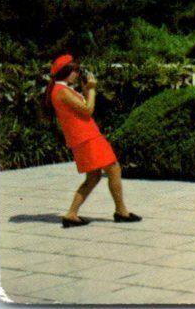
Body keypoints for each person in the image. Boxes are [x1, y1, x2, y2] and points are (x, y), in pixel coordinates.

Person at [41, 54, 141, 228]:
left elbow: (82, 108)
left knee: (94, 176)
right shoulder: (62, 91)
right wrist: (92, 90)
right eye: (75, 70)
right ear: (67, 72)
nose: (77, 74)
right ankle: (121, 211)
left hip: (82, 137)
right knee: (114, 168)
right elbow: (87, 110)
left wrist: (86, 90)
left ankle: (72, 214)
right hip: (87, 137)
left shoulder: (60, 90)